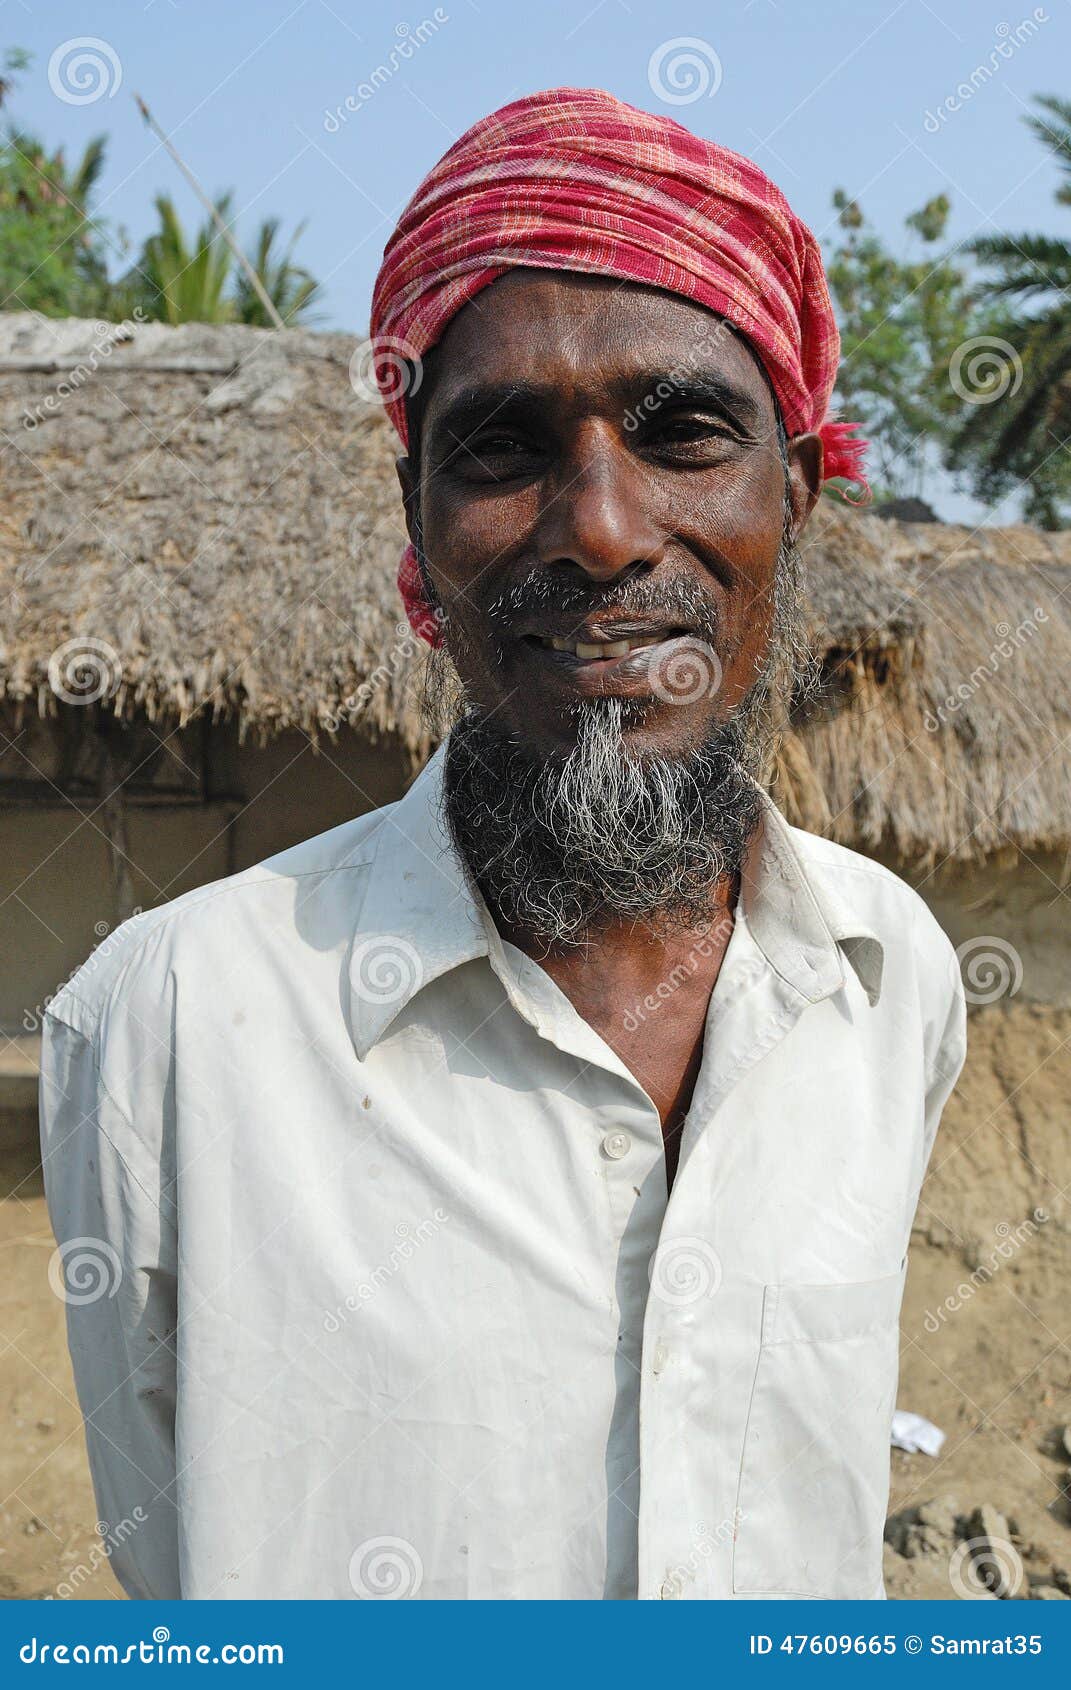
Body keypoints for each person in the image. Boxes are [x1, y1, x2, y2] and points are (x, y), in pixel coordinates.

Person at [40, 87, 966, 1601]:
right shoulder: (166, 1028)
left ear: (791, 497)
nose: (600, 527)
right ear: (417, 527)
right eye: (503, 448)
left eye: (685, 430)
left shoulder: (894, 977)